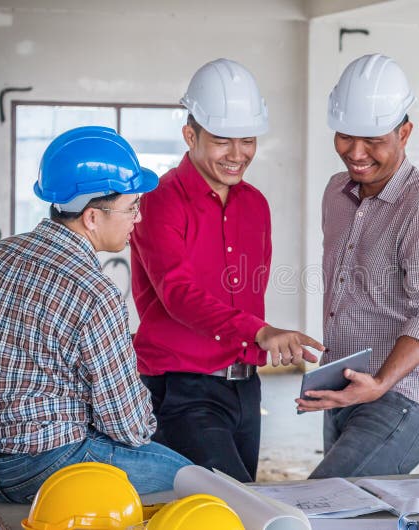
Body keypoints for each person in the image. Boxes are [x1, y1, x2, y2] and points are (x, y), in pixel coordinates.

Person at [0, 126, 191, 518]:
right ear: (92, 216)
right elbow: (129, 426)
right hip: (45, 466)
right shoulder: (95, 294)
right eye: (131, 206)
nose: (138, 218)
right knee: (194, 480)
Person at [130, 58, 324, 483]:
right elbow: (177, 292)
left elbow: (249, 293)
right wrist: (260, 331)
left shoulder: (255, 204)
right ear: (190, 135)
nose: (238, 155)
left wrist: (260, 343)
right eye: (222, 141)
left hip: (246, 388)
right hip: (183, 389)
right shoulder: (161, 199)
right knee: (237, 507)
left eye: (248, 140)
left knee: (235, 502)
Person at [296, 53, 419, 478]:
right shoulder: (336, 192)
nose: (356, 152)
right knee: (353, 515)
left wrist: (381, 382)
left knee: (319, 504)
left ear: (405, 132)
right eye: (346, 136)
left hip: (403, 397)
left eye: (373, 140)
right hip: (346, 390)